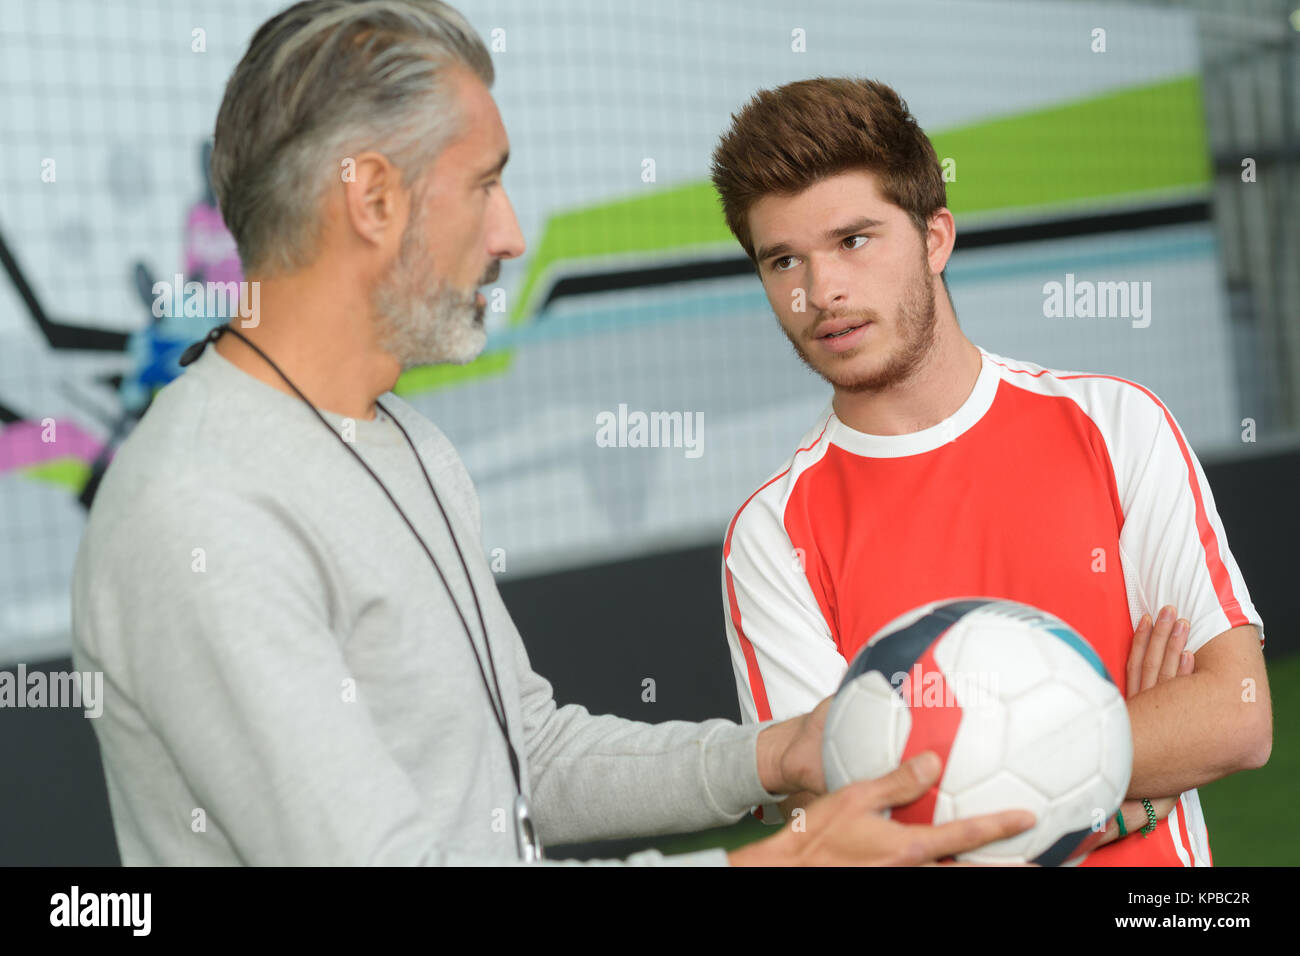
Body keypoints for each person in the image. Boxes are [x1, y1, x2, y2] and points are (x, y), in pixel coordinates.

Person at [69, 0, 1035, 867]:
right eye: (485, 183)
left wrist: (781, 752)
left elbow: (526, 756)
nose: (512, 234)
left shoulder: (405, 441)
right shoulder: (201, 512)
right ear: (371, 200)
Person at [710, 77, 1272, 865]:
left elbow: (1237, 716)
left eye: (854, 240)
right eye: (782, 261)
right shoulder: (771, 536)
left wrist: (950, 789)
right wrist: (1126, 778)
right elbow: (845, 831)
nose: (820, 291)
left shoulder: (1113, 425)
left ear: (936, 238)